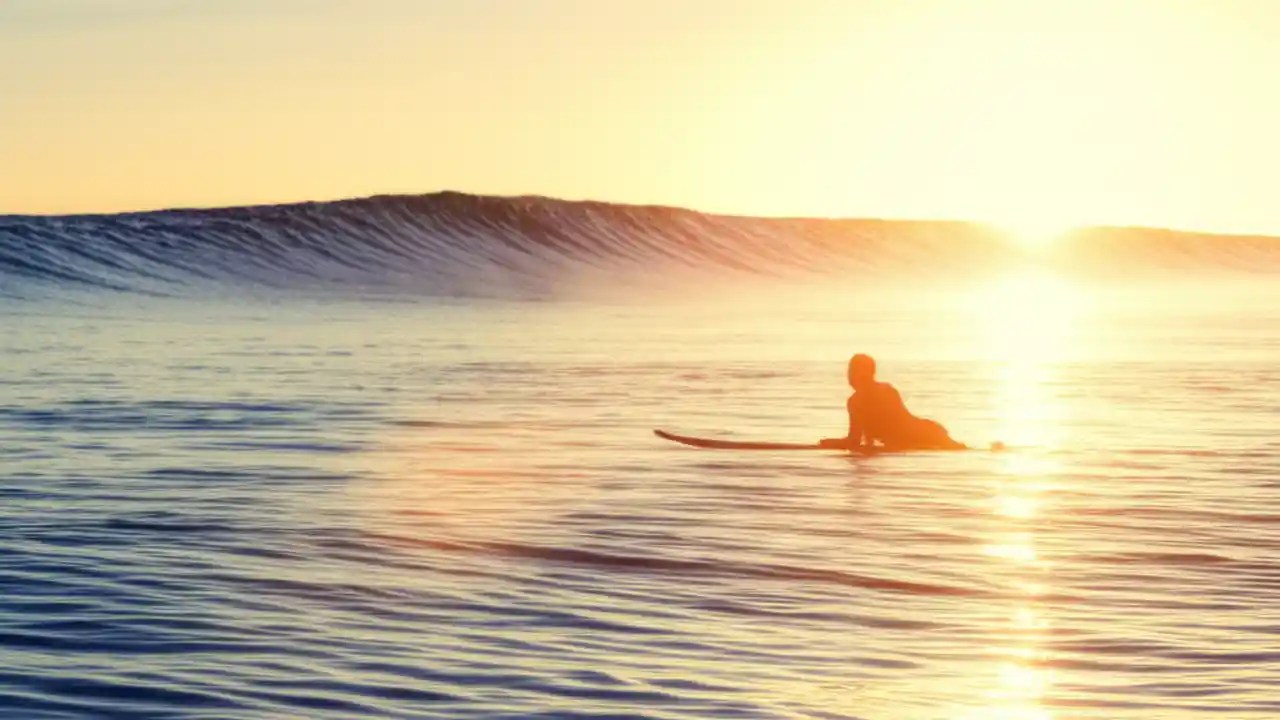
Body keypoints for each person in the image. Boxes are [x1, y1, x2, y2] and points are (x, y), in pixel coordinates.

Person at [820, 354, 965, 451]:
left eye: (852, 371)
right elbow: (857, 440)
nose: (848, 376)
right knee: (958, 449)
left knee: (958, 449)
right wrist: (832, 442)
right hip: (922, 433)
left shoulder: (881, 392)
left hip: (926, 433)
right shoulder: (857, 401)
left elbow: (855, 441)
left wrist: (831, 443)